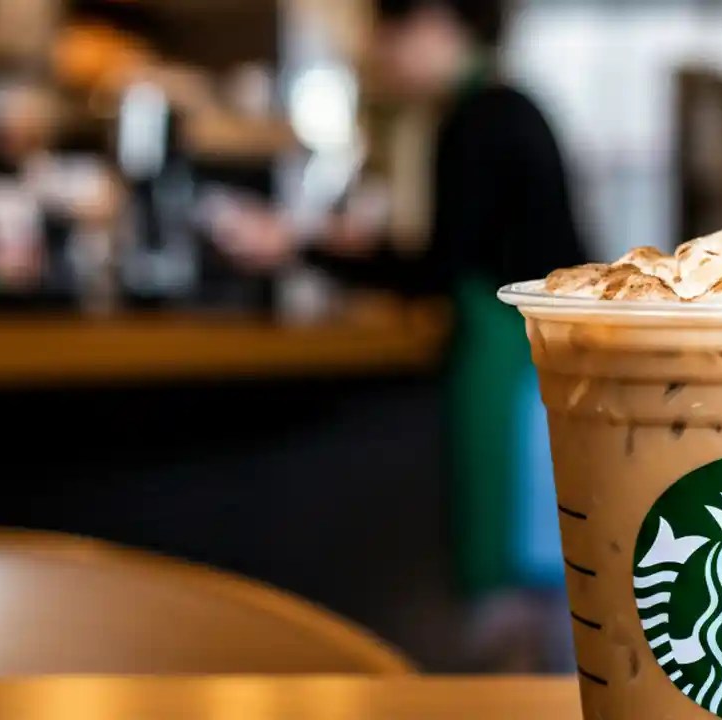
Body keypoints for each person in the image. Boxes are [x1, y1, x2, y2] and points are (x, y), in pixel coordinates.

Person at [216, 0, 592, 670]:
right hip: (543, 352)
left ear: (432, 23)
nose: (380, 55)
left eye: (387, 36)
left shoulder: (478, 118)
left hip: (513, 363)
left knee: (523, 582)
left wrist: (302, 247)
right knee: (553, 574)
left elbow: (438, 267)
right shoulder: (507, 106)